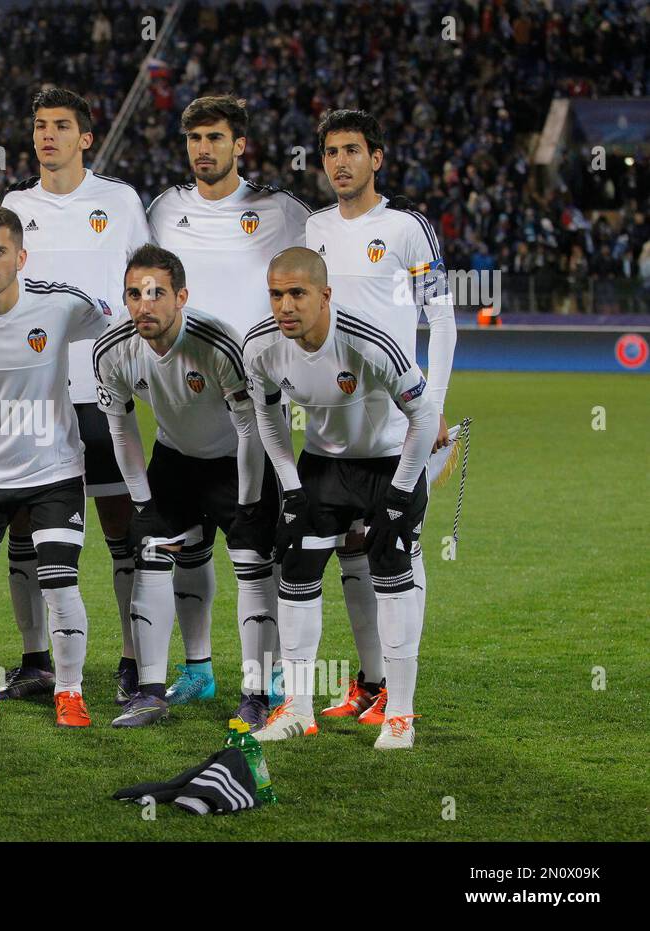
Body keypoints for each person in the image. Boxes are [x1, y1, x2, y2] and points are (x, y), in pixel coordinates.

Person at [146, 94, 310, 713]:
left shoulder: (281, 210)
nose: (203, 150)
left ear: (239, 145)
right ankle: (197, 669)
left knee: (253, 556)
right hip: (180, 415)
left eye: (215, 138)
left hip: (255, 415)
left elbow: (327, 270)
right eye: (194, 139)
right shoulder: (162, 210)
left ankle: (262, 681)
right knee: (186, 552)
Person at [243, 247, 437, 750]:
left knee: (392, 581)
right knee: (296, 574)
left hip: (388, 462)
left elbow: (423, 416)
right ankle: (299, 709)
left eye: (297, 294)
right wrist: (289, 484)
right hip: (323, 467)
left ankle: (400, 714)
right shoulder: (260, 347)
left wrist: (399, 491)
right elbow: (268, 417)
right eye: (276, 294)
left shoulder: (369, 342)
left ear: (325, 295)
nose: (284, 306)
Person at [0, 205, 110, 726]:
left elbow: (113, 319)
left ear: (20, 256)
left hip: (54, 468)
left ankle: (70, 692)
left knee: (58, 581)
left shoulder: (60, 305)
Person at [0, 87, 151, 703]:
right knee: (25, 524)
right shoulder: (14, 204)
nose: (48, 136)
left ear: (85, 138)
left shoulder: (118, 201)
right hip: (34, 394)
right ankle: (36, 661)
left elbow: (143, 280)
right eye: (39, 125)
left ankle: (133, 659)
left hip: (103, 389)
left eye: (61, 126)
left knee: (121, 525)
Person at [305, 109, 455, 723]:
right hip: (331, 432)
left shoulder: (406, 228)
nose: (340, 162)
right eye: (331, 152)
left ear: (377, 157)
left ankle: (401, 694)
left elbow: (441, 317)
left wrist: (436, 401)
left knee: (399, 553)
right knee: (350, 554)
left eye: (352, 150)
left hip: (397, 426)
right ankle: (369, 682)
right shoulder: (311, 229)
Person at [93, 244, 277, 729]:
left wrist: (249, 501)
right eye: (133, 294)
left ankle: (261, 690)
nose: (143, 304)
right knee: (151, 557)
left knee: (253, 570)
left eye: (155, 293)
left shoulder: (218, 343)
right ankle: (156, 691)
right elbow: (122, 430)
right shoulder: (112, 351)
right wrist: (143, 503)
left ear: (181, 297)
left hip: (238, 463)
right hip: (174, 461)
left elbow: (250, 428)